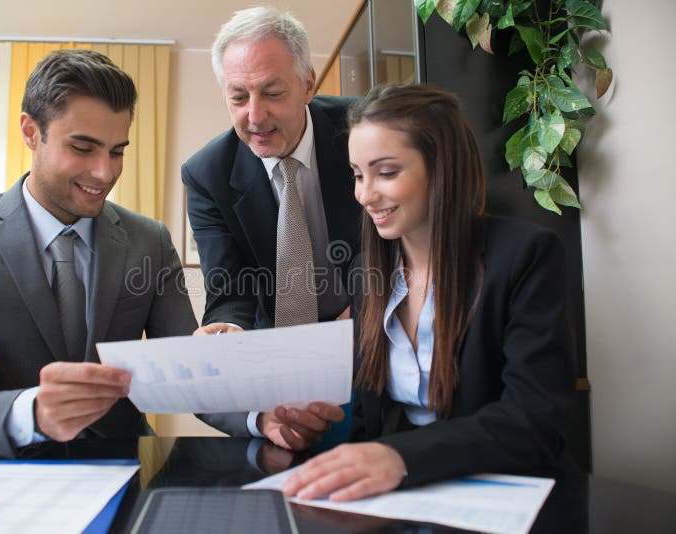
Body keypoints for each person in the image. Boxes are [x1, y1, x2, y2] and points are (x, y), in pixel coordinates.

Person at [283, 84, 577, 501]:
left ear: (442, 168)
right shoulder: (368, 274)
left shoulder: (524, 256)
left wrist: (400, 458)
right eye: (358, 174)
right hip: (413, 496)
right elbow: (372, 418)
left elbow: (534, 420)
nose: (365, 194)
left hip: (507, 494)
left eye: (386, 173)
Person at [0, 49, 197, 457]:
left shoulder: (149, 240)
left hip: (123, 466)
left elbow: (190, 368)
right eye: (83, 148)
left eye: (117, 151)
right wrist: (33, 413)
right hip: (6, 471)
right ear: (31, 131)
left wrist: (259, 417)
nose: (105, 173)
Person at [182, 6, 362, 449]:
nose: (255, 117)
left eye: (272, 93)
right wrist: (229, 330)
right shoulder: (206, 173)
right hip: (281, 369)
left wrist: (367, 304)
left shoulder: (365, 128)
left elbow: (409, 238)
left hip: (373, 339)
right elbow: (230, 292)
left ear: (308, 84)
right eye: (238, 97)